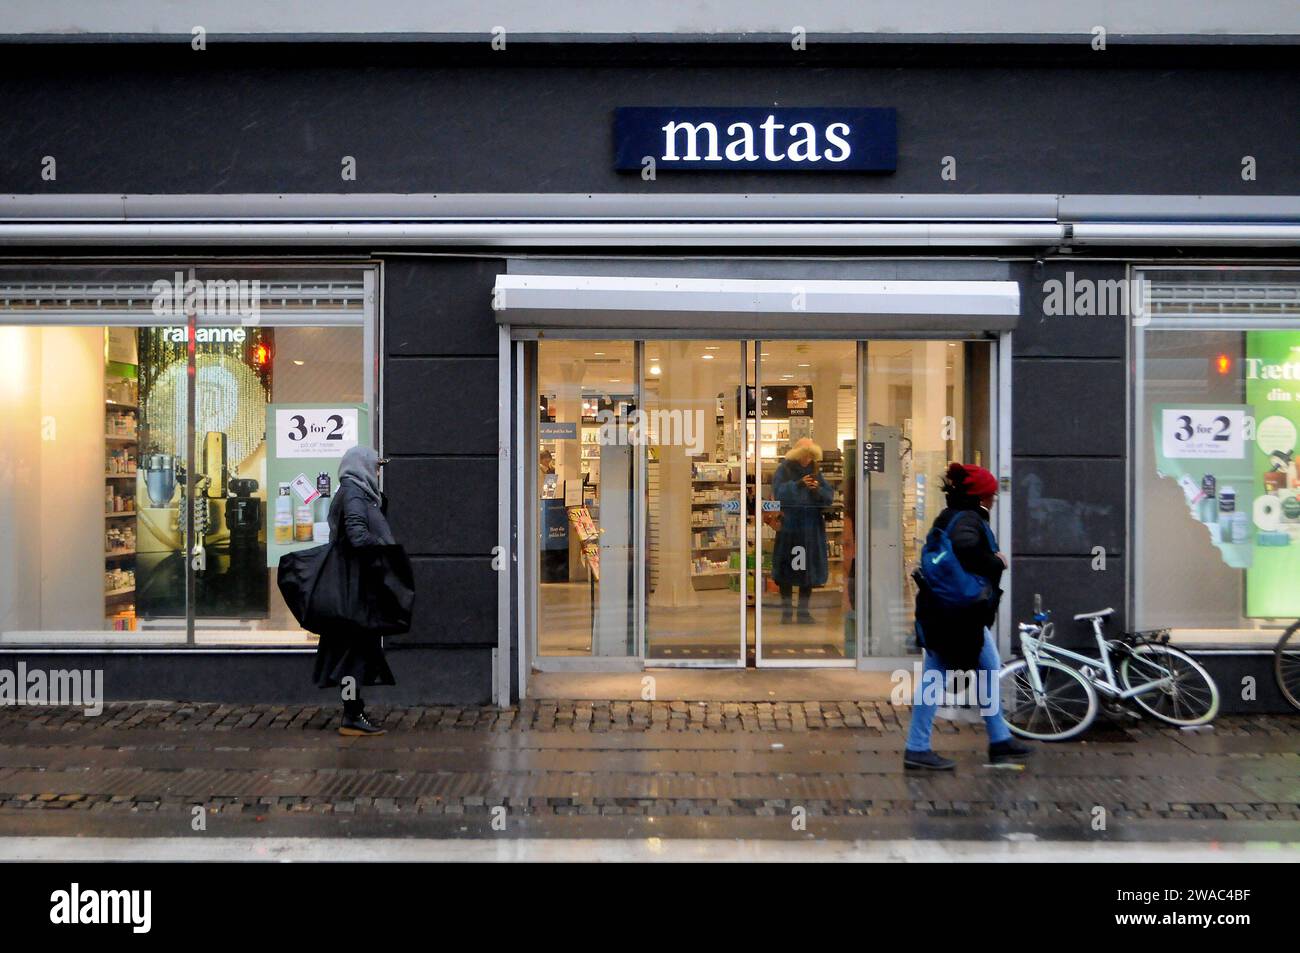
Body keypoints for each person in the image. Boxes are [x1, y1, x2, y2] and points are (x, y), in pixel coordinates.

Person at [904, 462, 1032, 769]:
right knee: (936, 677)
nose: (995, 498)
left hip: (949, 612)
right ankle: (916, 748)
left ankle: (999, 740)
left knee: (987, 668)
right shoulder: (967, 520)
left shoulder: (954, 516)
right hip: (955, 616)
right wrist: (996, 561)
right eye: (991, 494)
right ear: (981, 497)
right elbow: (967, 553)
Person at [312, 445, 397, 737]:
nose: (376, 472)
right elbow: (358, 534)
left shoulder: (355, 492)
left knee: (353, 651)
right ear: (361, 466)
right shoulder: (354, 494)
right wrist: (384, 552)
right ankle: (351, 715)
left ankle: (353, 711)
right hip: (354, 588)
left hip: (354, 585)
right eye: (374, 467)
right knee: (353, 653)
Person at [771, 438, 834, 624]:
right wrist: (798, 484)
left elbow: (828, 497)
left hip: (810, 527)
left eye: (811, 456)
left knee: (808, 571)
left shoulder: (815, 470)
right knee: (786, 572)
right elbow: (778, 493)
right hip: (790, 526)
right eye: (805, 455)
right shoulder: (784, 469)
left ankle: (803, 612)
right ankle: (786, 612)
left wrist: (816, 490)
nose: (808, 459)